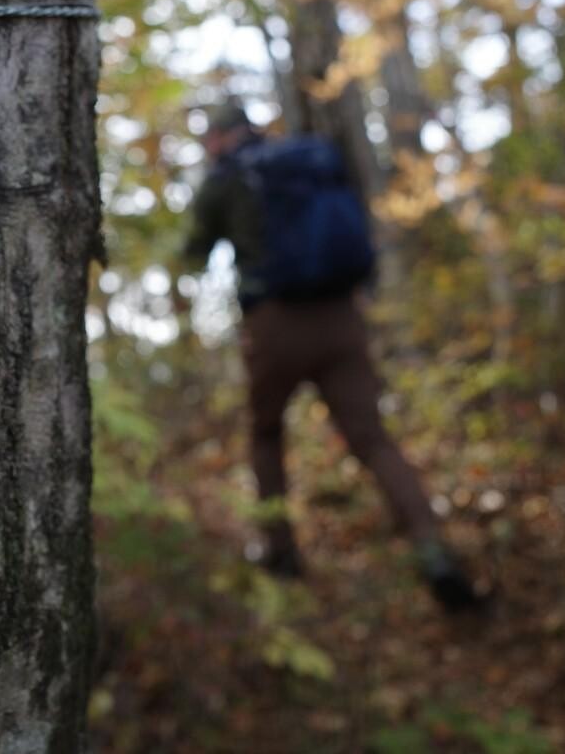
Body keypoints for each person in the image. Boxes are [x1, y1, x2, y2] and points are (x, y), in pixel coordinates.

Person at [183, 102, 480, 612]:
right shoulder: (304, 160)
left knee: (266, 434)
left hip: (274, 324)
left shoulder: (226, 179)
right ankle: (432, 551)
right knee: (372, 439)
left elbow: (195, 251)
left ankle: (281, 556)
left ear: (219, 138)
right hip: (341, 318)